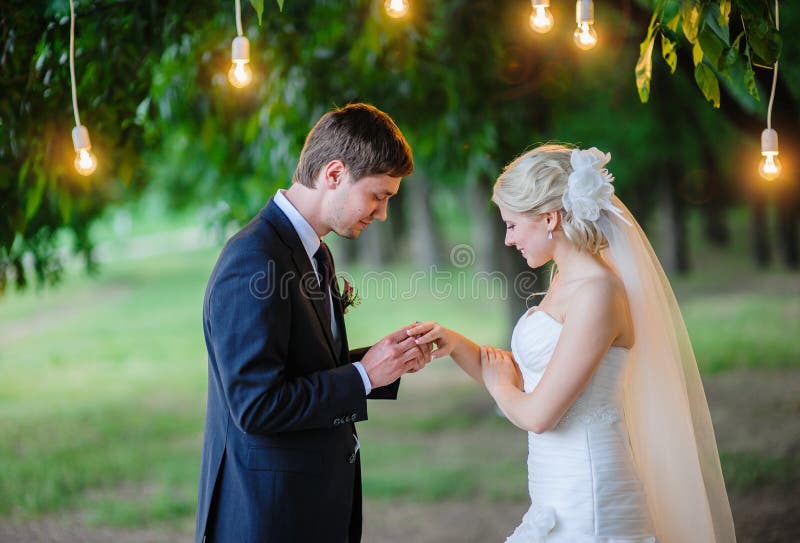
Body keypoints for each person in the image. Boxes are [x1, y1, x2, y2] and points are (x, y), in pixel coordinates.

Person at [411, 144, 737, 542]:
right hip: (557, 491)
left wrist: (498, 386)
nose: (509, 240)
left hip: (590, 497)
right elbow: (526, 378)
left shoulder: (597, 292)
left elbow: (537, 414)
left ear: (549, 218)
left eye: (512, 225)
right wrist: (452, 341)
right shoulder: (565, 281)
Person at [195, 103, 432, 543]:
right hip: (268, 518)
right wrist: (363, 375)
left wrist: (388, 362)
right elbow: (257, 405)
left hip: (310, 507)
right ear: (335, 173)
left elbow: (304, 367)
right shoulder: (253, 260)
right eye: (378, 196)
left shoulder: (314, 251)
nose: (381, 214)